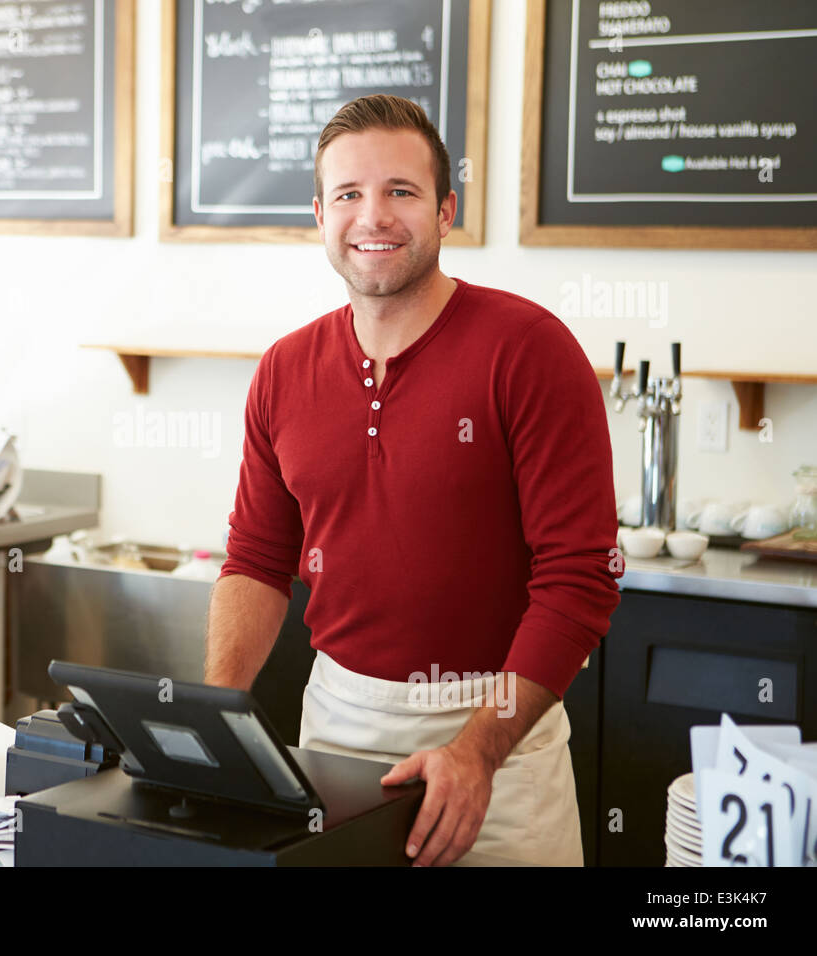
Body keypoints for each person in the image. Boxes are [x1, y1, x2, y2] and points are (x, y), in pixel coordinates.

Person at [205, 94, 622, 867]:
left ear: (446, 211)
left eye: (402, 191)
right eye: (349, 195)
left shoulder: (529, 351)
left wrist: (476, 752)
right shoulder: (284, 371)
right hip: (335, 735)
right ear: (319, 215)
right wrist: (216, 713)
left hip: (500, 748)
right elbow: (258, 561)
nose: (375, 216)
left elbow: (580, 580)